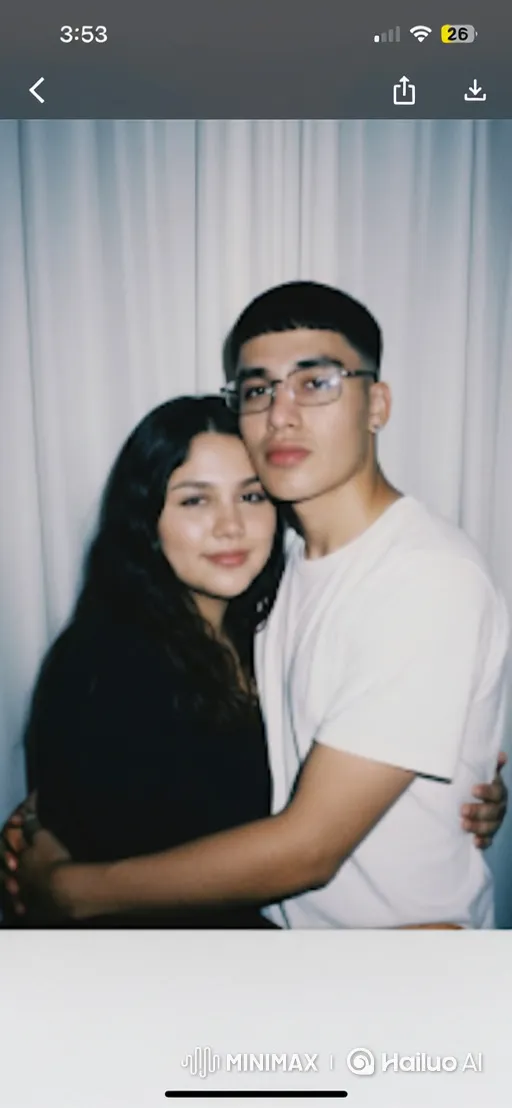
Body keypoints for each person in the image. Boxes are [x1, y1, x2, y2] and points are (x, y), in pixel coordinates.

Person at [3, 282, 509, 929]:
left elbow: (310, 848)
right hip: (271, 969)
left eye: (315, 382)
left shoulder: (426, 577)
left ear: (376, 403)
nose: (282, 414)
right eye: (259, 389)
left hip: (391, 972)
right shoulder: (284, 571)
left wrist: (73, 890)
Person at [1, 395, 284, 927]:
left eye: (251, 495)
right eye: (195, 501)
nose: (230, 525)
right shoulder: (105, 669)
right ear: (145, 521)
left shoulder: (274, 630)